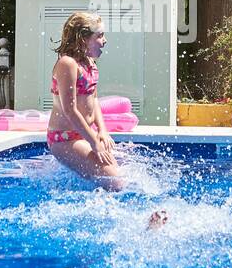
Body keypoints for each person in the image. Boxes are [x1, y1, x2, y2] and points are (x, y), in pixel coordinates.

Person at [46, 12, 167, 229]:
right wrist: (94, 142)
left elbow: (93, 99)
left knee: (130, 164)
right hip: (65, 139)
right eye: (100, 35)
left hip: (85, 134)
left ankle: (136, 214)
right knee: (115, 180)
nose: (105, 40)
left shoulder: (89, 63)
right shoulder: (68, 64)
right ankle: (137, 224)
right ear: (84, 38)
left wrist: (102, 131)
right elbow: (70, 110)